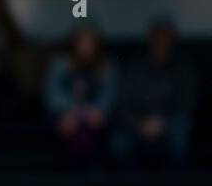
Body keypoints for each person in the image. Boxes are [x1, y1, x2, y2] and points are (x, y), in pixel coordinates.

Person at [111, 18, 196, 165]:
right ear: (150, 39)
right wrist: (139, 123)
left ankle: (177, 182)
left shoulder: (182, 68)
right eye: (158, 37)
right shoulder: (135, 66)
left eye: (165, 37)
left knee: (180, 133)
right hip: (137, 123)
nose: (161, 42)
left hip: (170, 121)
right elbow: (123, 102)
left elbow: (186, 102)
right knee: (119, 141)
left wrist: (163, 122)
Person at [44, 23, 115, 165]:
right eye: (82, 40)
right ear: (74, 42)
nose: (85, 46)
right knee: (69, 126)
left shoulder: (106, 66)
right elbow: (53, 96)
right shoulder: (61, 64)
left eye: (90, 41)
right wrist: (71, 112)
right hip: (65, 117)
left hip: (95, 118)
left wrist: (91, 112)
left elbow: (108, 98)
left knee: (92, 128)